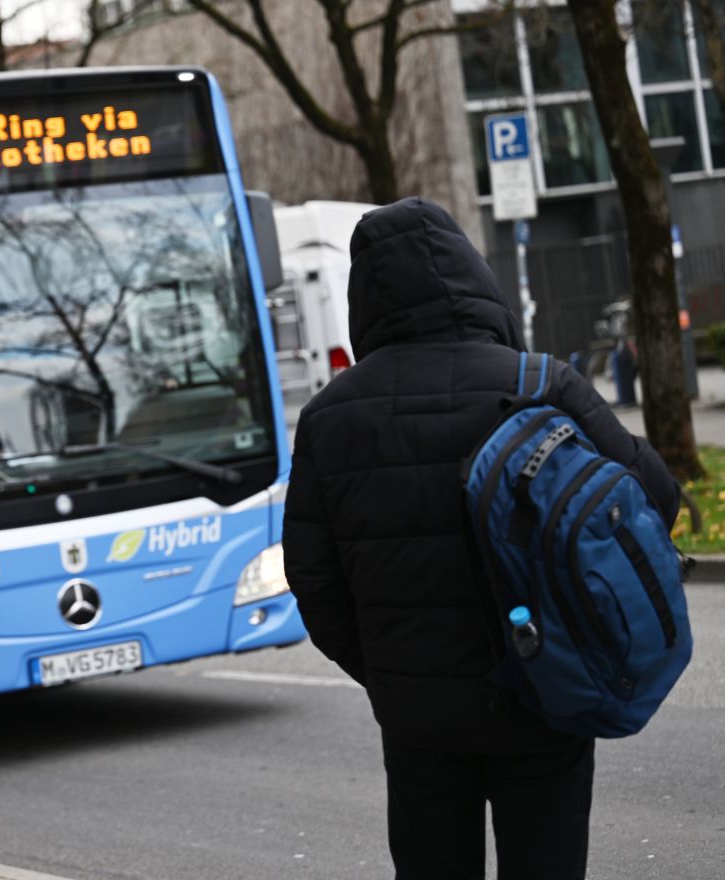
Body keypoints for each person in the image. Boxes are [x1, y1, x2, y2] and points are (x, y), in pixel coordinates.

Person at [282, 198, 679, 880]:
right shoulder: (540, 382)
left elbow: (313, 579)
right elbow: (655, 501)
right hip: (544, 690)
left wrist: (388, 671)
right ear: (474, 275)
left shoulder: (328, 419)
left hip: (418, 721)